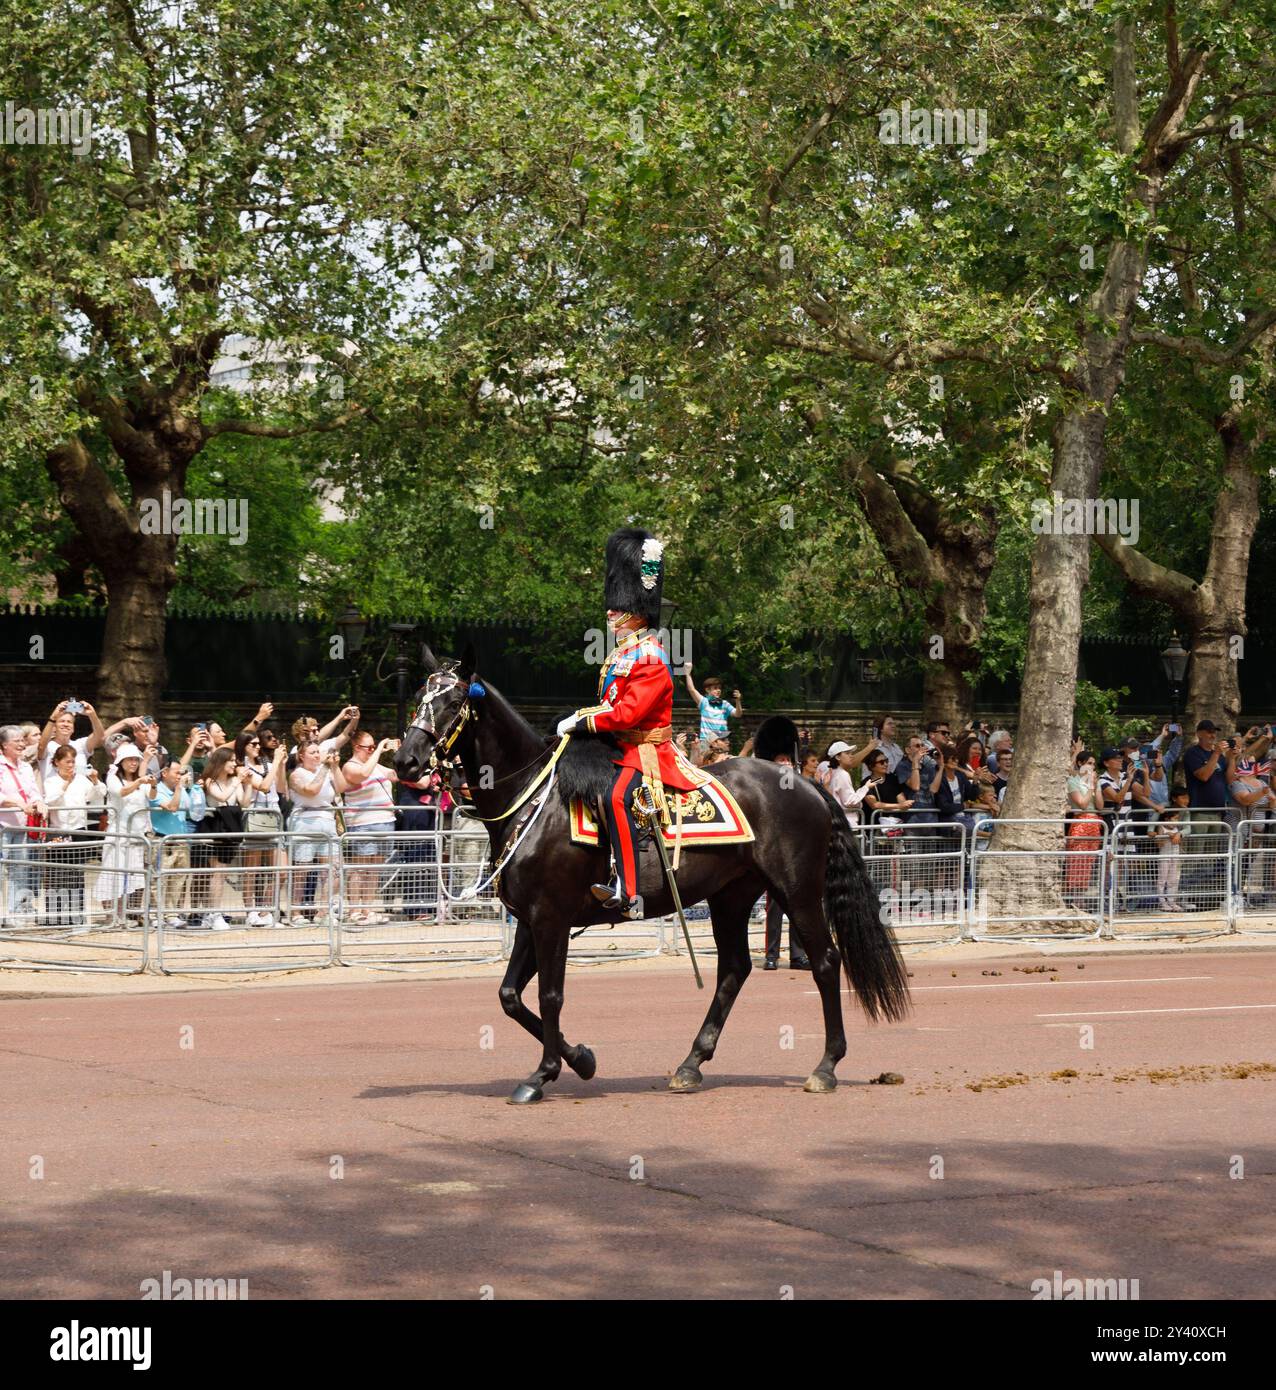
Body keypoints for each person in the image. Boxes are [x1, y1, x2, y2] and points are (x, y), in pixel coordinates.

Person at [556, 528, 708, 916]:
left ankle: (629, 890)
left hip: (647, 750)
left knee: (615, 796)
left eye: (617, 607)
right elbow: (610, 705)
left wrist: (581, 721)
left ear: (638, 611)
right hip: (622, 744)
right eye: (611, 606)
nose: (609, 612)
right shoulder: (623, 653)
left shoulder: (652, 656)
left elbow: (628, 713)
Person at [41, 743, 104, 926]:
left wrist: (95, 780)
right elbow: (51, 800)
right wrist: (65, 783)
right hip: (58, 830)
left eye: (73, 761)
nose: (70, 765)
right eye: (67, 761)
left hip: (78, 830)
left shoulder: (82, 779)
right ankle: (55, 915)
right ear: (57, 763)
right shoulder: (51, 780)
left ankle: (76, 914)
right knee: (56, 874)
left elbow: (98, 796)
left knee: (76, 874)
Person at [342, 732, 401, 923]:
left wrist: (399, 755)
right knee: (359, 869)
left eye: (374, 747)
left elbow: (395, 775)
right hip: (362, 824)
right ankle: (354, 911)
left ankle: (367, 910)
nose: (373, 750)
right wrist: (380, 750)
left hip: (384, 822)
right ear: (357, 748)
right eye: (369, 747)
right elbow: (362, 774)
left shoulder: (375, 765)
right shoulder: (350, 766)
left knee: (374, 870)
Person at [287, 740, 348, 924]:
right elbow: (310, 791)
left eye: (317, 752)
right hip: (305, 822)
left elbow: (342, 788)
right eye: (312, 752)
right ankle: (295, 912)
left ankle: (323, 912)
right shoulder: (296, 774)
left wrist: (335, 767)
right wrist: (324, 768)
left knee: (334, 868)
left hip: (327, 820)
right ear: (301, 756)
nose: (316, 755)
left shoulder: (328, 771)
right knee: (301, 870)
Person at [97, 742, 152, 923]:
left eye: (136, 759)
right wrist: (138, 781)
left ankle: (124, 913)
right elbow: (120, 792)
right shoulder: (113, 777)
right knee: (113, 873)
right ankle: (110, 914)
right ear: (121, 761)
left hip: (136, 835)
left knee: (133, 876)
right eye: (130, 759)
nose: (133, 763)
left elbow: (150, 796)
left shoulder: (140, 780)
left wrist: (152, 785)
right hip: (118, 834)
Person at [148, 756, 195, 929]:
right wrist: (179, 789)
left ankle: (171, 914)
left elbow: (192, 810)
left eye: (182, 773)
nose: (180, 776)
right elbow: (172, 807)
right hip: (162, 840)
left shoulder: (181, 790)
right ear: (165, 773)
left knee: (178, 880)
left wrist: (190, 789)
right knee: (159, 880)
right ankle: (155, 913)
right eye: (177, 772)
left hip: (180, 840)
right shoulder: (157, 790)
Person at [1182, 720, 1234, 823]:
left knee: (1215, 840)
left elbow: (1230, 780)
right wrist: (1216, 753)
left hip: (1218, 811)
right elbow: (1203, 776)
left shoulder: (1219, 755)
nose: (1213, 735)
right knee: (1199, 839)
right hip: (1200, 811)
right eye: (1209, 732)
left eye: (1214, 732)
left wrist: (1232, 757)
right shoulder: (1192, 753)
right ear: (1199, 734)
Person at [683, 663, 742, 750]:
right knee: (704, 763)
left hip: (722, 739)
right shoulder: (704, 702)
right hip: (706, 740)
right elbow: (692, 689)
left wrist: (738, 701)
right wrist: (687, 674)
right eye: (715, 688)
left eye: (719, 688)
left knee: (724, 762)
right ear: (707, 690)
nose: (718, 690)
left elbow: (738, 714)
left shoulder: (725, 704)